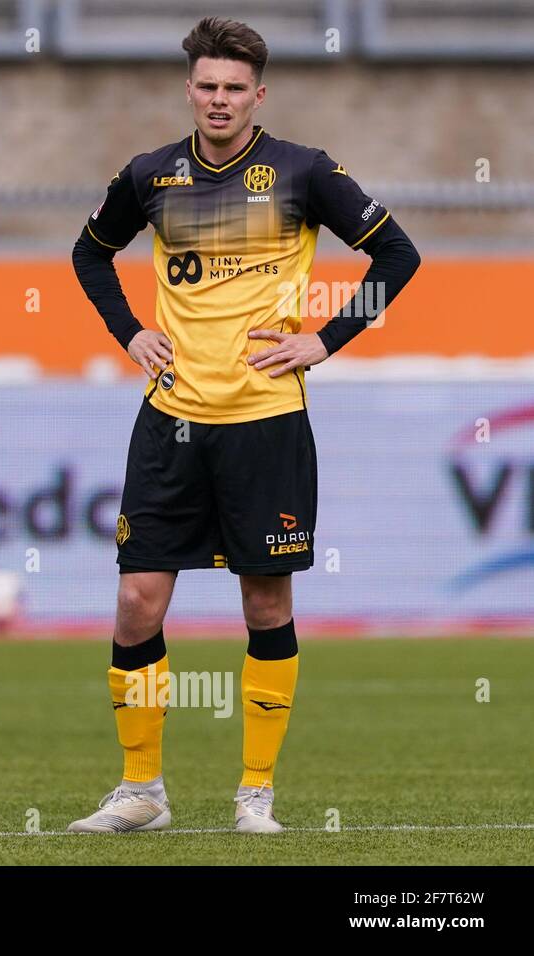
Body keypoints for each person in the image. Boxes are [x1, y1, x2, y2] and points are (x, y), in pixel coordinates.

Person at [70, 17, 420, 833]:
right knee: (136, 604)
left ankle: (254, 795)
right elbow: (90, 254)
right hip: (171, 420)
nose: (219, 100)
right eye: (207, 86)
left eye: (234, 88)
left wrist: (325, 339)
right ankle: (141, 794)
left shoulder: (304, 171)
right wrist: (130, 332)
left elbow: (397, 254)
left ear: (258, 94)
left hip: (266, 421)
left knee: (266, 607)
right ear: (188, 90)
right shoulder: (150, 175)